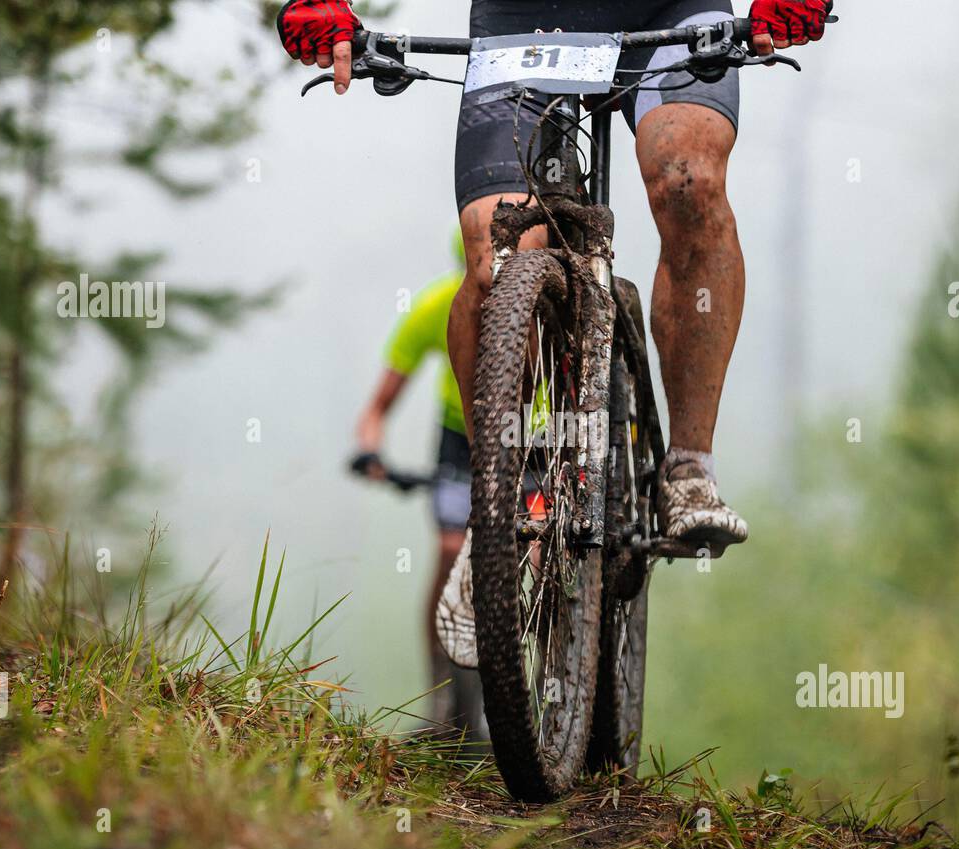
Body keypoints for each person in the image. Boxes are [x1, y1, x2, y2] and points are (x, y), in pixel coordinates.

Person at [279, 0, 830, 654]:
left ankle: (687, 466)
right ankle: (496, 509)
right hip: (522, 18)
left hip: (672, 10)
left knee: (690, 182)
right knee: (495, 257)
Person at [351, 231, 486, 740]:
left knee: (533, 553)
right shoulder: (437, 307)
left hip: (533, 433)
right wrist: (371, 451)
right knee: (451, 554)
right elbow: (376, 409)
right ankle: (444, 703)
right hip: (459, 441)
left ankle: (531, 701)